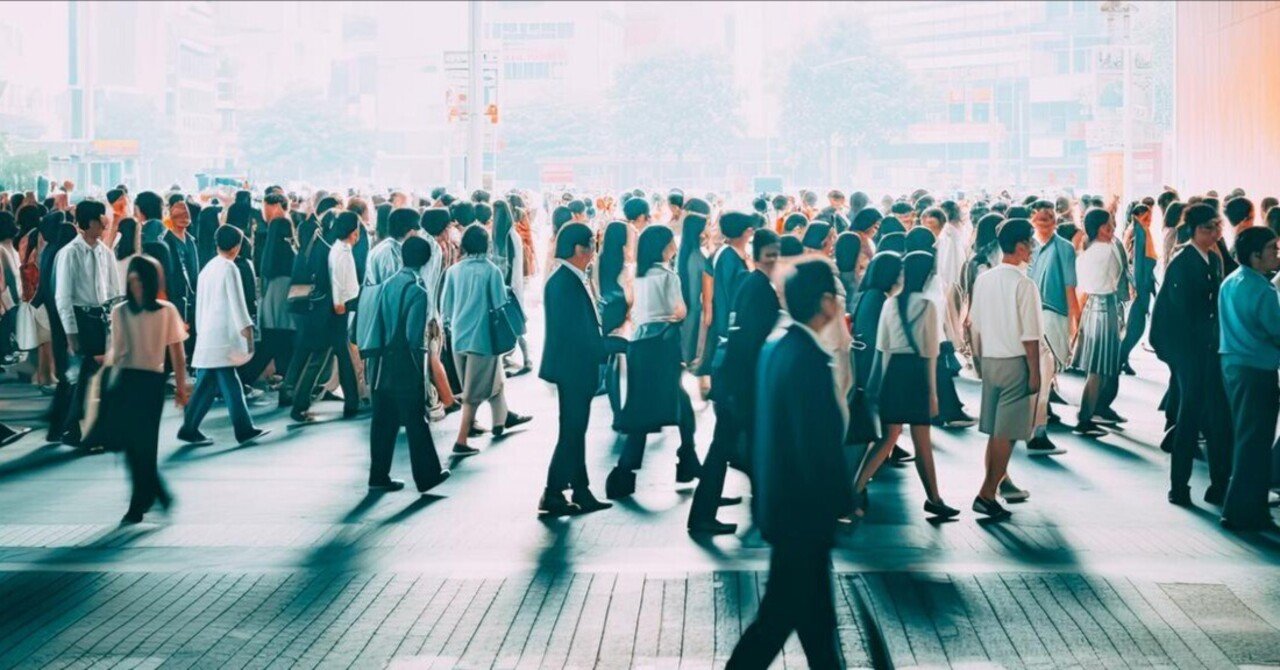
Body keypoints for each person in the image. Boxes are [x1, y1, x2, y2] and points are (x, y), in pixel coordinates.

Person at [727, 258, 850, 670]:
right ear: (825, 303)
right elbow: (813, 446)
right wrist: (842, 501)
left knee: (807, 625)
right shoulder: (808, 360)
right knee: (783, 621)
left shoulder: (779, 347)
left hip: (787, 511)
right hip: (804, 516)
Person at [689, 228, 782, 535]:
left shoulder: (750, 283)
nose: (774, 261)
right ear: (756, 257)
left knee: (739, 446)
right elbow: (754, 340)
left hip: (733, 381)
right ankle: (706, 515)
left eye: (776, 256)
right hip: (741, 385)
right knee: (725, 448)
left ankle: (761, 510)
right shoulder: (761, 289)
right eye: (769, 256)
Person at [853, 251, 959, 520]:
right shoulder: (926, 306)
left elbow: (882, 347)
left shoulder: (891, 303)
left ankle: (855, 487)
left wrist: (875, 384)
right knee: (922, 441)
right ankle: (934, 499)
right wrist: (933, 393)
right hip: (915, 374)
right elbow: (929, 354)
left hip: (893, 373)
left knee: (888, 437)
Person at [606, 225, 700, 499]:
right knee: (670, 405)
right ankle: (685, 461)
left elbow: (631, 309)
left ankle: (685, 460)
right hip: (663, 345)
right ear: (663, 247)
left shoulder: (633, 275)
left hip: (638, 346)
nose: (675, 244)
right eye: (671, 241)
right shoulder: (668, 276)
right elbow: (680, 310)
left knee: (644, 407)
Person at [1150, 203, 1233, 507]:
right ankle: (1179, 485)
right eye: (1206, 228)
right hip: (1188, 351)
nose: (1213, 233)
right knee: (1191, 414)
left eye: (1216, 227)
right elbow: (1179, 312)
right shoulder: (1184, 260)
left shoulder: (1213, 257)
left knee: (1215, 416)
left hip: (1207, 348)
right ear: (1193, 229)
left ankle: (1219, 483)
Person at [539, 223, 619, 516]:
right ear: (578, 249)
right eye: (591, 247)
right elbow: (574, 331)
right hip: (572, 367)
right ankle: (553, 492)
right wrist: (605, 347)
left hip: (574, 366)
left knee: (574, 430)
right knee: (572, 430)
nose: (593, 254)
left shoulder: (569, 279)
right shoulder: (563, 282)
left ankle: (579, 490)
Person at [967, 218, 1042, 521]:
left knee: (996, 433)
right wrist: (1035, 373)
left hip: (991, 361)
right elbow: (1031, 336)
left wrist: (979, 359)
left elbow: (974, 324)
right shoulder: (1024, 283)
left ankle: (991, 491)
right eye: (1031, 243)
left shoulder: (985, 278)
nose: (1033, 248)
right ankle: (986, 494)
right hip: (1015, 363)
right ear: (1021, 246)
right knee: (1006, 435)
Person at [109, 256, 190, 524]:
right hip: (135, 381)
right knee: (134, 445)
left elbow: (177, 354)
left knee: (143, 445)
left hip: (145, 382)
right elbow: (120, 352)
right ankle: (150, 495)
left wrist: (182, 387)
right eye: (133, 282)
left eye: (140, 282)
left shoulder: (159, 311)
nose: (137, 287)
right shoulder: (126, 311)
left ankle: (144, 499)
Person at [367, 236, 451, 494]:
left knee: (383, 420)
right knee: (416, 420)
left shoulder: (386, 285)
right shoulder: (418, 290)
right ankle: (427, 476)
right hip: (405, 363)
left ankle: (378, 476)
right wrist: (421, 375)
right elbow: (414, 338)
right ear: (426, 260)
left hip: (381, 361)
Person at [440, 224, 531, 455]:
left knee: (493, 378)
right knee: (473, 393)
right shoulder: (491, 271)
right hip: (483, 338)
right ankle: (461, 440)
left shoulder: (453, 271)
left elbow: (446, 309)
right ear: (486, 244)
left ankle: (501, 419)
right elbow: (499, 303)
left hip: (458, 338)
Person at [177, 225, 268, 446]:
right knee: (229, 382)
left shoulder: (208, 268)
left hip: (208, 335)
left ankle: (189, 428)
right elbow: (238, 304)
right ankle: (243, 429)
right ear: (237, 246)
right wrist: (248, 331)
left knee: (208, 385)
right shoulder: (230, 268)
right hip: (223, 337)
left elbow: (200, 305)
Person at [1215, 227, 1279, 531]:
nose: (1276, 254)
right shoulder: (1262, 290)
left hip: (1232, 366)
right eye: (1272, 249)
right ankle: (1242, 510)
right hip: (1257, 370)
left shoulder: (1232, 281)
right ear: (1255, 255)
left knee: (1245, 438)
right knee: (1255, 442)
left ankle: (1249, 508)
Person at [52, 199, 120, 449]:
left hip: (102, 319)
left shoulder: (105, 252)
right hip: (82, 319)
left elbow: (114, 291)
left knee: (95, 376)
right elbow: (63, 297)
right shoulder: (70, 253)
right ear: (90, 222)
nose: (105, 222)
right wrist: (71, 333)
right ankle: (75, 429)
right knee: (85, 376)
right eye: (101, 217)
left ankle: (81, 429)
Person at [289, 212, 362, 422]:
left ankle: (301, 403)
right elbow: (339, 281)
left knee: (321, 355)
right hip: (336, 309)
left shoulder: (334, 247)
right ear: (354, 231)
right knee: (341, 355)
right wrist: (341, 305)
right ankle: (351, 404)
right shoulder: (343, 251)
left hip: (326, 310)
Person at [1028, 201, 1076, 454]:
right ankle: (1037, 432)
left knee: (1045, 374)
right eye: (1039, 220)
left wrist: (1072, 320)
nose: (1043, 225)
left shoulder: (1065, 248)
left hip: (1054, 314)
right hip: (1031, 316)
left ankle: (1036, 428)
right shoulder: (1027, 247)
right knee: (1041, 375)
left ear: (1055, 222)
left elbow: (1070, 287)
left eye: (1047, 220)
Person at [1074, 208, 1126, 436]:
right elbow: (1116, 278)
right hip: (1106, 306)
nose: (1112, 230)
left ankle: (1090, 413)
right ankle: (1085, 417)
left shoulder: (1086, 250)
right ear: (1098, 229)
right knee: (1099, 368)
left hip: (1091, 307)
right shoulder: (1107, 250)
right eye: (1108, 226)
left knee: (1097, 367)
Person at [238, 217, 296, 387]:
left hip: (270, 303)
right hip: (285, 302)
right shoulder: (289, 251)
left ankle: (245, 378)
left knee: (268, 346)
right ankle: (286, 381)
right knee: (285, 344)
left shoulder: (268, 252)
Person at [697, 212, 753, 388]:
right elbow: (736, 292)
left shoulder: (726, 253)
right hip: (730, 317)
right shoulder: (729, 257)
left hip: (725, 316)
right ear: (746, 232)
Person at [490, 200, 531, 375]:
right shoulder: (505, 234)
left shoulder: (508, 235)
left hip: (509, 287)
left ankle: (525, 358)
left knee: (515, 323)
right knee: (514, 323)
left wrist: (508, 287)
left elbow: (511, 264)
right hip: (507, 287)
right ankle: (518, 358)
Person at [1119, 203, 1156, 375]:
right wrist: (1137, 287)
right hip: (1139, 286)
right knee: (1135, 326)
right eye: (1146, 217)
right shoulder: (1137, 232)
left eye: (1150, 217)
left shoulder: (1140, 230)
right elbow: (1134, 263)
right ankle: (1121, 358)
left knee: (1137, 325)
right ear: (1136, 216)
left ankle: (1122, 358)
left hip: (1141, 284)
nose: (1149, 221)